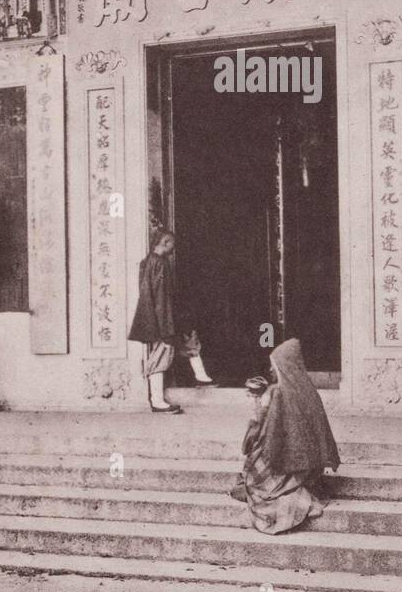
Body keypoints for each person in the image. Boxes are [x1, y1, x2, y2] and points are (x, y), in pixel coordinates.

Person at [230, 339, 340, 534]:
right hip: (308, 468)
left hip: (282, 461)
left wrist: (257, 404)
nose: (271, 371)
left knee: (255, 479)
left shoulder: (276, 393)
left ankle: (297, 500)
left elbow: (262, 432)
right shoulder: (308, 391)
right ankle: (302, 492)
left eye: (274, 366)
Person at [127, 228, 214, 413]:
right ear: (165, 242)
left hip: (167, 315)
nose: (174, 247)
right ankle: (157, 401)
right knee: (161, 354)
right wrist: (165, 326)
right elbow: (160, 298)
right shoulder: (158, 264)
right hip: (162, 319)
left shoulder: (150, 262)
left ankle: (202, 377)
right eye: (172, 243)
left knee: (190, 339)